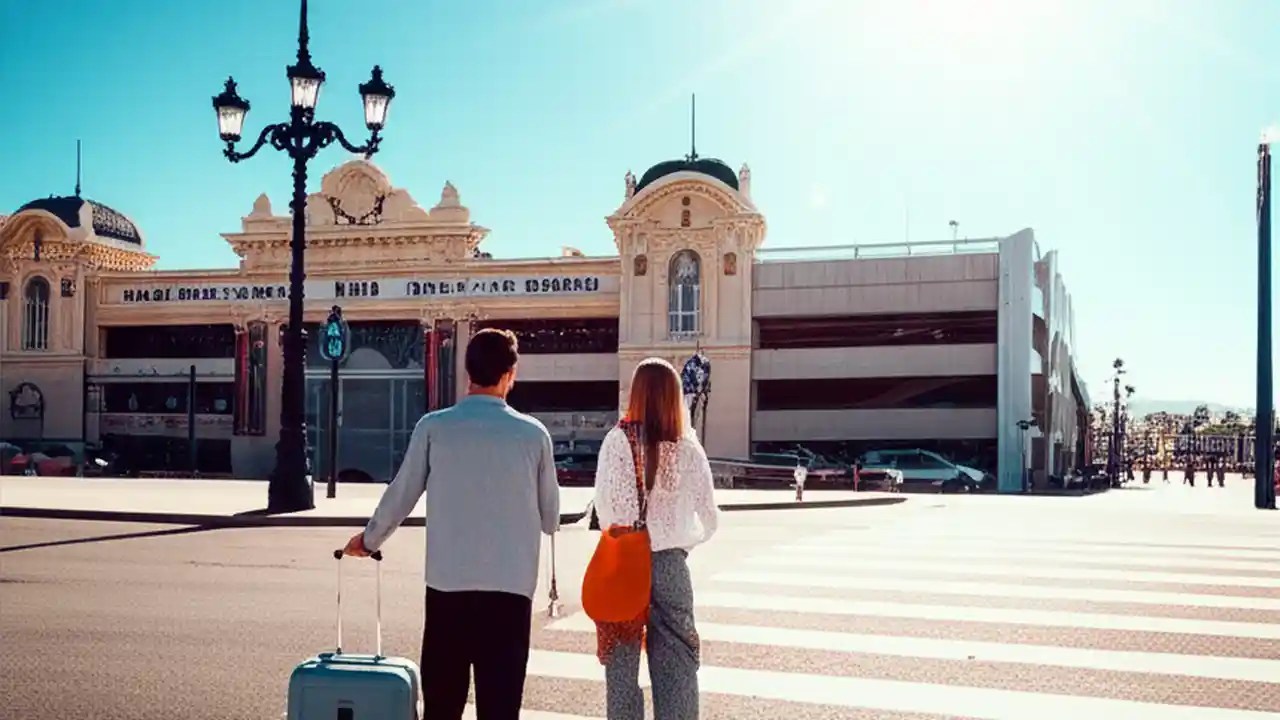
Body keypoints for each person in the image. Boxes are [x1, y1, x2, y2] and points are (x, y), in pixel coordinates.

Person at [342, 328, 560, 720]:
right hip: (510, 593)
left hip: (448, 590)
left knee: (442, 706)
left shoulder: (434, 427)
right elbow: (550, 519)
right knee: (500, 708)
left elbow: (402, 494)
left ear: (467, 373)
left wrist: (369, 540)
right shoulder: (533, 435)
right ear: (511, 373)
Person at [594, 358, 719, 720]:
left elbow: (606, 510)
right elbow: (710, 519)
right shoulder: (688, 448)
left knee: (621, 668)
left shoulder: (617, 441)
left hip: (623, 563)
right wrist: (680, 543)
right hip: (670, 565)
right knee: (678, 664)